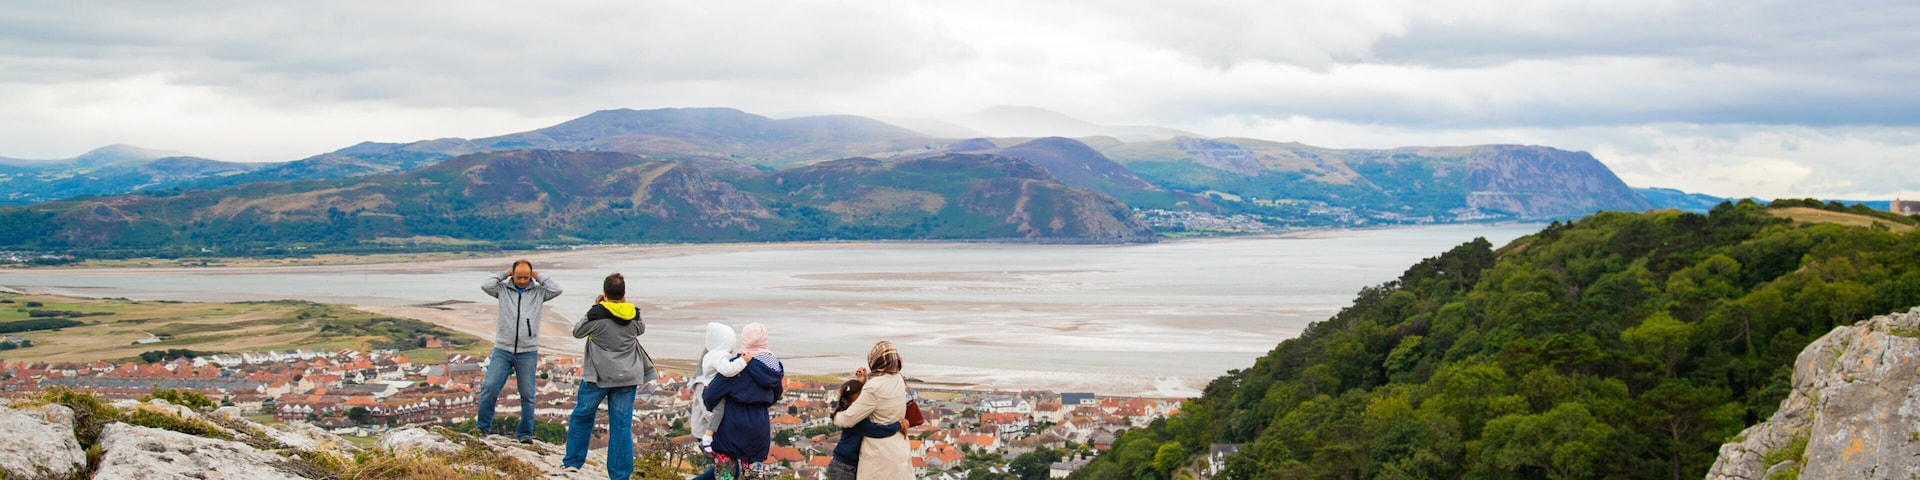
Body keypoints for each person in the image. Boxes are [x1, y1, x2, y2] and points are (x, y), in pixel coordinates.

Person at [561, 273, 655, 479]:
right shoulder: (634, 314)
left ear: (604, 293)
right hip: (628, 376)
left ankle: (573, 462)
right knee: (621, 425)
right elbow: (640, 330)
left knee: (582, 416)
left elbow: (577, 331)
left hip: (598, 375)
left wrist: (595, 307)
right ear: (624, 294)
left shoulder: (597, 315)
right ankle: (620, 474)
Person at [475, 259, 562, 443]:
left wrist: (538, 276)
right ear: (512, 275)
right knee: (489, 388)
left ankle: (525, 434)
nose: (522, 280)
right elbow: (485, 284)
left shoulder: (539, 293)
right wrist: (504, 273)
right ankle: (482, 428)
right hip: (502, 349)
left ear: (531, 275)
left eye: (526, 276)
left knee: (527, 394)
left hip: (527, 351)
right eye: (518, 276)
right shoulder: (502, 290)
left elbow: (556, 289)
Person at [699, 323, 783, 480]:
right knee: (754, 475)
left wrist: (716, 407)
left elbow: (711, 395)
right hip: (759, 426)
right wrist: (760, 404)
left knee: (725, 475)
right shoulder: (773, 368)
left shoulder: (737, 365)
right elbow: (776, 393)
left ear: (744, 340)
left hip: (730, 425)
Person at [832, 341, 912, 479]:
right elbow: (877, 400)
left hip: (879, 454)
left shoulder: (873, 387)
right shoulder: (898, 379)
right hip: (899, 447)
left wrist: (835, 416)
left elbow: (848, 419)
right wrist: (864, 382)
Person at [690, 322, 748, 454]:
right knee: (724, 467)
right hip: (704, 432)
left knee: (725, 467)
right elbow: (707, 413)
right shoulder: (702, 383)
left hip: (715, 430)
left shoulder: (717, 378)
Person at [827, 379, 903, 480]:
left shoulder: (849, 412)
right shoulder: (854, 419)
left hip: (847, 464)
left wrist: (864, 381)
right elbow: (875, 430)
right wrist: (898, 425)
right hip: (844, 466)